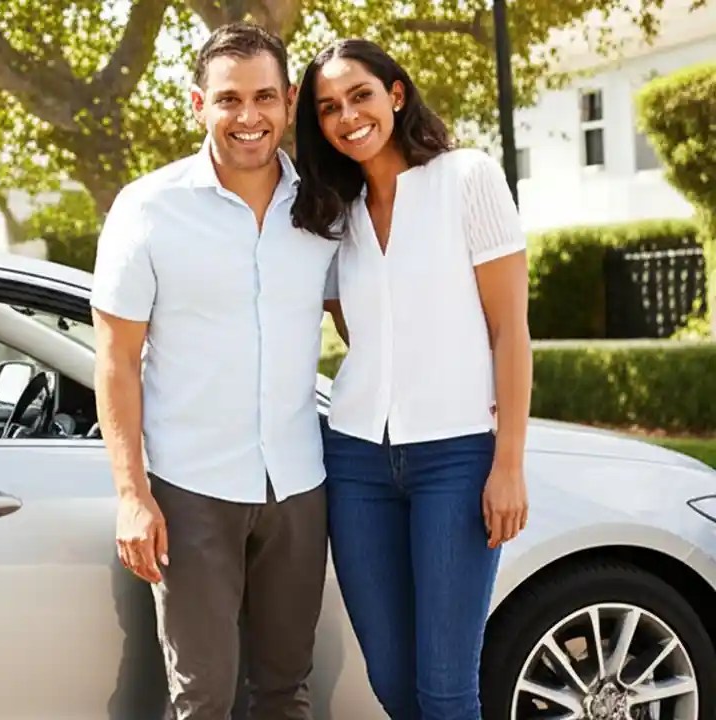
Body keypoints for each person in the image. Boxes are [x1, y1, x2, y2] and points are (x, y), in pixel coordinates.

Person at [89, 21, 339, 720]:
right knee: (201, 699)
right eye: (229, 99)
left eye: (264, 97)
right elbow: (115, 361)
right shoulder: (147, 209)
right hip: (190, 488)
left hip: (297, 483)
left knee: (288, 691)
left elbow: (369, 321)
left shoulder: (326, 206)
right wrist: (133, 495)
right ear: (198, 105)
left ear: (290, 102)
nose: (249, 117)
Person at [290, 38, 533, 719]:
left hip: (455, 458)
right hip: (357, 461)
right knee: (394, 682)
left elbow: (509, 331)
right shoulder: (334, 214)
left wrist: (507, 463)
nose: (347, 116)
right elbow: (355, 332)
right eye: (329, 107)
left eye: (360, 96)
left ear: (396, 93)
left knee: (446, 689)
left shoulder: (468, 178)